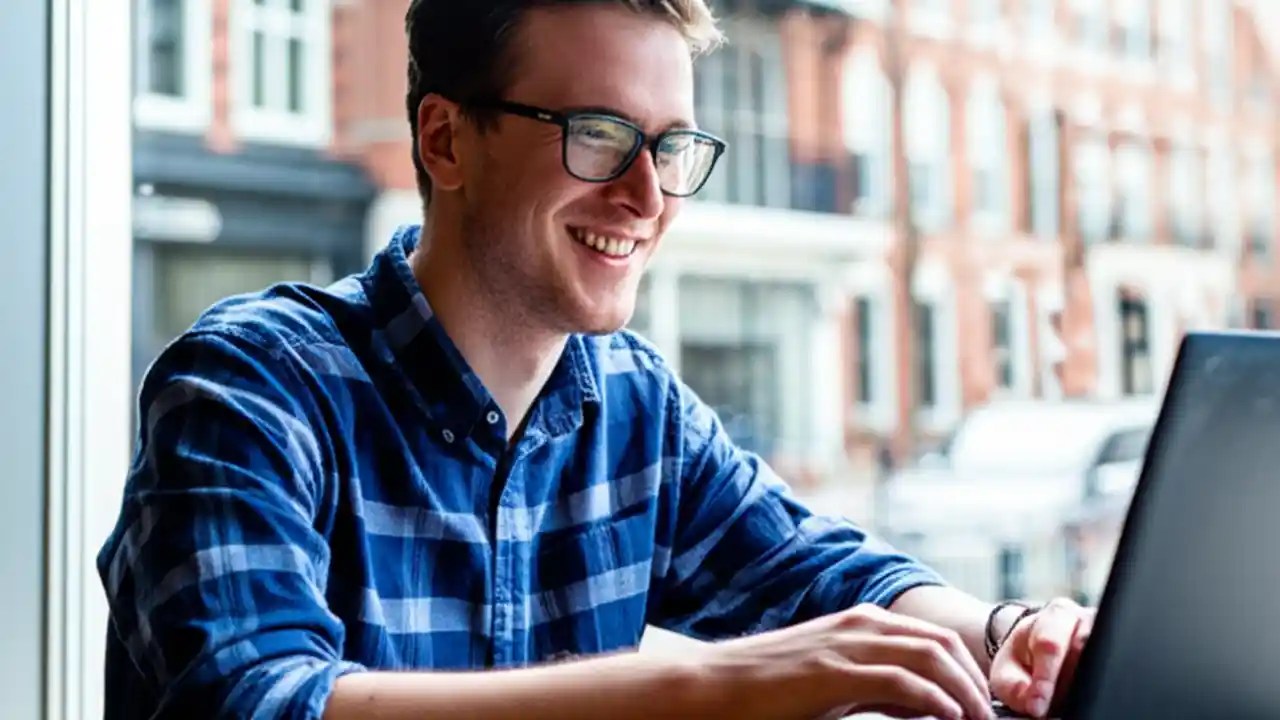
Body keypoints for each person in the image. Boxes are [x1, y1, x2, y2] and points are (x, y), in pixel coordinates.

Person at [96, 1, 1095, 718]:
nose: (648, 197)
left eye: (670, 146)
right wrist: (722, 684)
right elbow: (260, 700)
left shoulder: (633, 407)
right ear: (445, 141)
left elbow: (824, 577)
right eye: (600, 134)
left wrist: (1005, 634)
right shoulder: (250, 387)